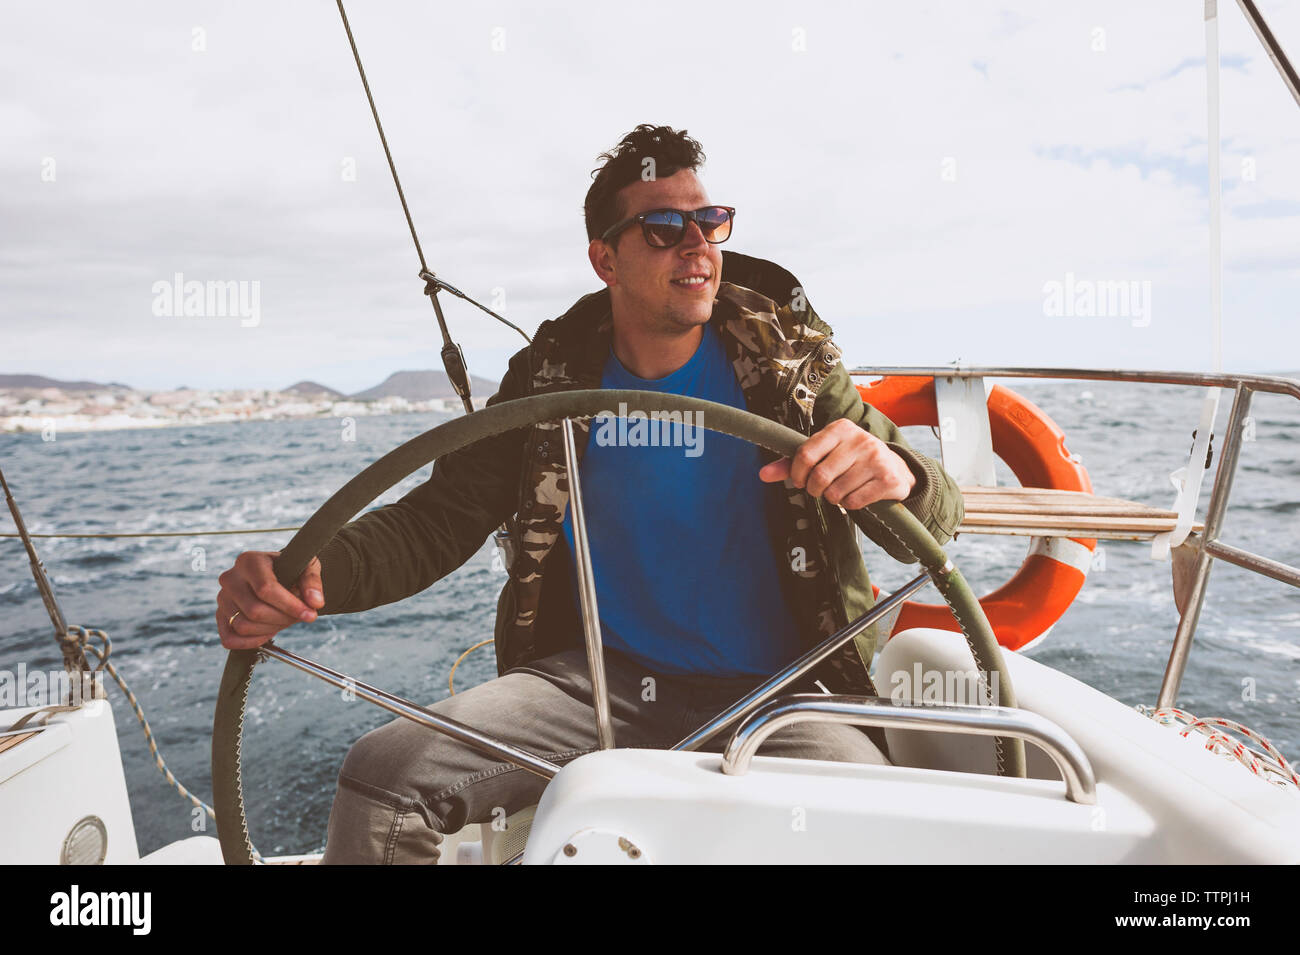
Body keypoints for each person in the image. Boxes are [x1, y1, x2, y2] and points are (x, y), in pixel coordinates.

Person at [215, 124, 964, 864]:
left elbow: (933, 519)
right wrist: (314, 573)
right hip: (597, 684)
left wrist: (904, 476)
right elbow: (440, 519)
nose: (697, 245)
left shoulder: (792, 365)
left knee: (875, 827)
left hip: (787, 694)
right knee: (385, 778)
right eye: (664, 228)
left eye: (709, 221)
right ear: (604, 257)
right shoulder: (552, 378)